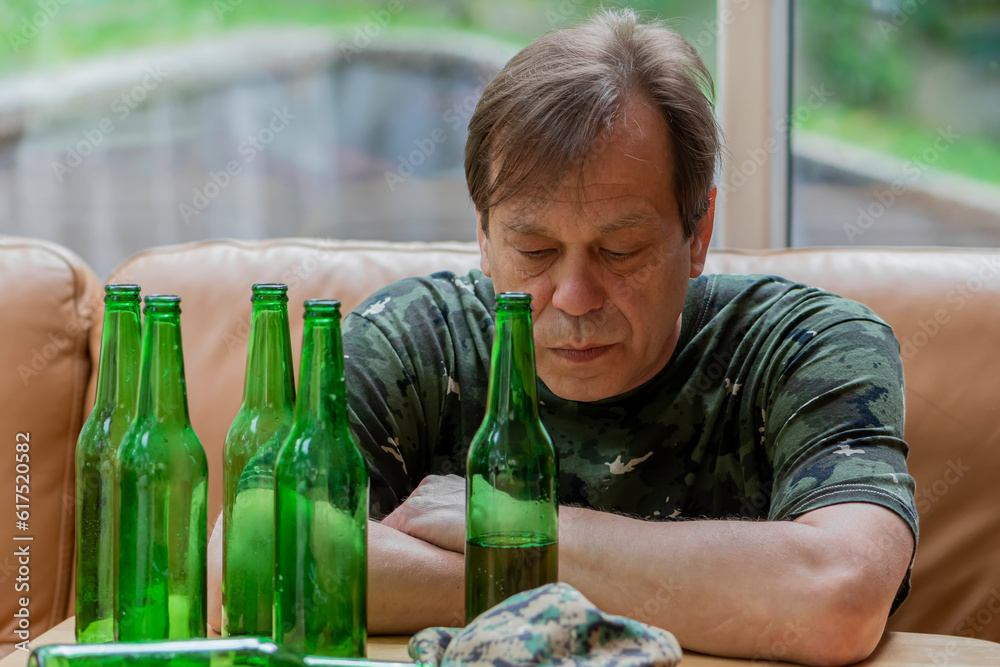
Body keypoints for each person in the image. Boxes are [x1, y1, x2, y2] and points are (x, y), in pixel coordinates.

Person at [209, 9, 917, 665]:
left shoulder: (811, 345)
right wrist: (679, 588)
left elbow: (838, 598)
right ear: (483, 237)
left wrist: (513, 524)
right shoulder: (411, 339)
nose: (574, 297)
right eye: (535, 251)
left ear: (698, 233)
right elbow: (249, 566)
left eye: (621, 251)